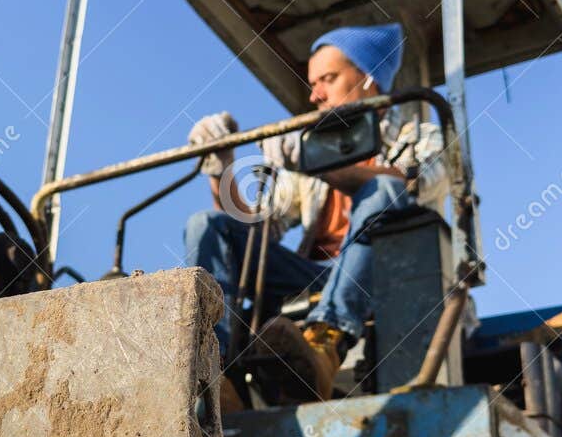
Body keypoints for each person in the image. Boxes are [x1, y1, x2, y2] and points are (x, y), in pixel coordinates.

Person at [185, 22, 446, 401]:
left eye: (327, 79)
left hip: (387, 279)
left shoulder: (420, 137)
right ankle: (216, 371)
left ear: (368, 79)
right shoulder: (314, 154)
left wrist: (314, 163)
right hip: (313, 279)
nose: (315, 96)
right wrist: (219, 168)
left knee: (382, 188)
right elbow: (256, 230)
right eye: (313, 83)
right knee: (207, 224)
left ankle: (326, 344)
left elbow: (411, 183)